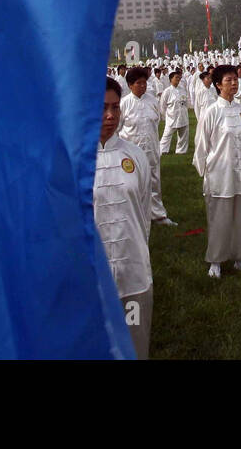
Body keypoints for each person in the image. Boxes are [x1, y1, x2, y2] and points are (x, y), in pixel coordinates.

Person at [95, 78, 153, 358]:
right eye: (103, 107)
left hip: (133, 271)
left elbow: (144, 213)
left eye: (115, 108)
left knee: (134, 344)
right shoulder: (71, 159)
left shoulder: (135, 156)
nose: (110, 115)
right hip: (91, 276)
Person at [193, 64, 241, 279]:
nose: (234, 83)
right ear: (218, 85)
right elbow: (201, 146)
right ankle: (216, 261)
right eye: (228, 80)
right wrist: (206, 174)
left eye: (235, 79)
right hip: (220, 174)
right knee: (219, 217)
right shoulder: (211, 112)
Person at [120, 67, 177, 227]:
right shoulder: (124, 104)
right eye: (138, 83)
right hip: (130, 151)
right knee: (131, 184)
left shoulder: (152, 101)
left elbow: (157, 121)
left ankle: (158, 215)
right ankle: (132, 217)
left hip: (151, 149)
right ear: (130, 85)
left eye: (144, 82)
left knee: (153, 181)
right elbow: (118, 128)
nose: (143, 86)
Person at [158, 69, 190, 155]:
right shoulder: (167, 91)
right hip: (171, 116)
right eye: (176, 77)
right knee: (167, 135)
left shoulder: (182, 89)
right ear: (171, 79)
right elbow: (162, 105)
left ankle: (181, 151)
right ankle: (163, 150)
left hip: (183, 115)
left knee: (183, 135)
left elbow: (186, 102)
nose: (178, 79)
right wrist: (165, 116)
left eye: (179, 77)